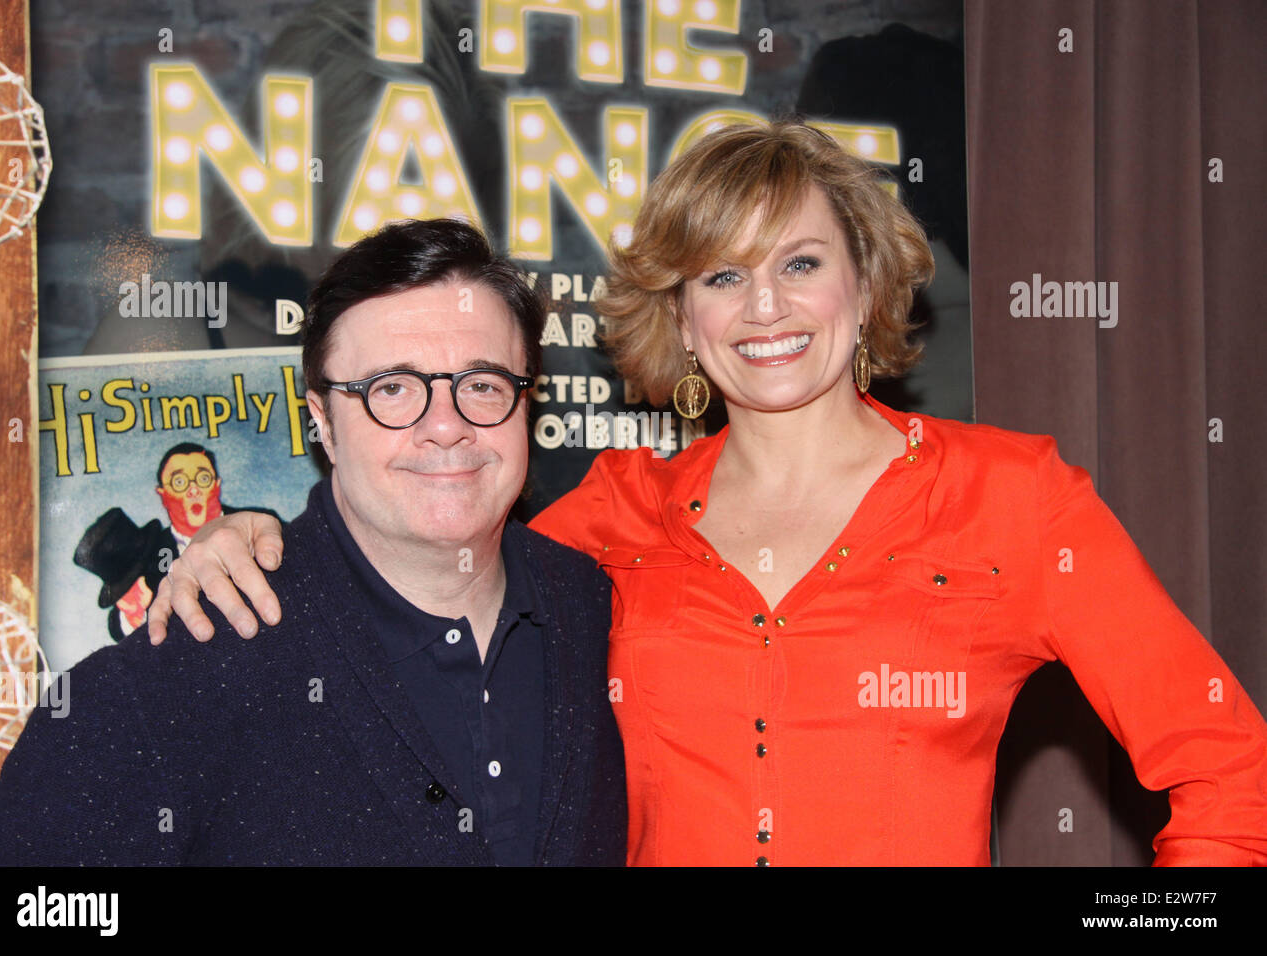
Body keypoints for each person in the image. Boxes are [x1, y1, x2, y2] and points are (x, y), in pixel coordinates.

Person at [147, 121, 1267, 867]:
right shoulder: (606, 517)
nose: (762, 305)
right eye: (721, 276)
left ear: (864, 280)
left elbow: (1232, 772)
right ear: (682, 318)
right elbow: (413, 559)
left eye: (800, 262)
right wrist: (256, 536)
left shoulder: (1015, 498)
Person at [0, 219, 626, 865]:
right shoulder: (192, 664)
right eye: (392, 389)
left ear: (526, 401)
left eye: (481, 385)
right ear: (323, 421)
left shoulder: (593, 608)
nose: (445, 426)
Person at [73, 442, 279, 641]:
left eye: (203, 478)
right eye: (179, 482)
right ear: (162, 495)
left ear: (216, 485)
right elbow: (119, 626)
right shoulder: (147, 558)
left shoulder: (259, 523)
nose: (193, 490)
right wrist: (133, 612)